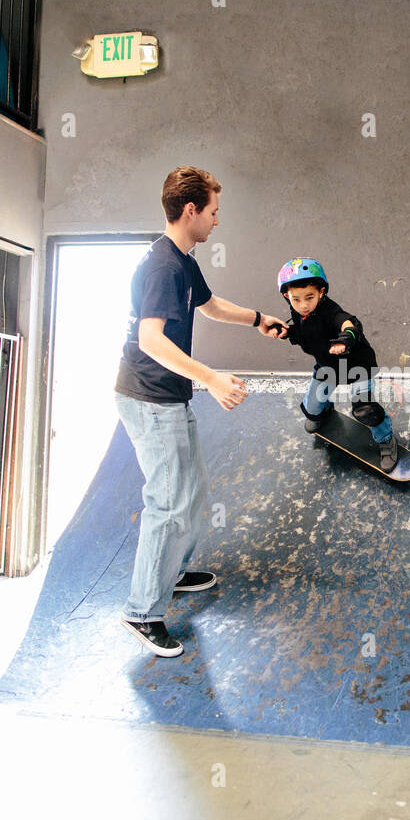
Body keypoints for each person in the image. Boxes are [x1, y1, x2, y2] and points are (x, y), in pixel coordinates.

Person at [114, 166, 289, 658]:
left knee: (191, 496)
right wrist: (210, 378)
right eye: (213, 211)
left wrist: (257, 319)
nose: (218, 220)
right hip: (149, 398)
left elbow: (209, 306)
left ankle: (170, 571)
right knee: (168, 504)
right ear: (190, 210)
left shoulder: (182, 260)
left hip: (168, 396)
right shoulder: (162, 267)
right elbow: (150, 339)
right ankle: (143, 611)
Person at [278, 257, 399, 470]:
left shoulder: (330, 311)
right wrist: (287, 332)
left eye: (310, 297)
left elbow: (348, 323)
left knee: (366, 410)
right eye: (296, 299)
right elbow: (306, 333)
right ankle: (323, 413)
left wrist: (346, 337)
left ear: (321, 292)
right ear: (287, 296)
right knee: (312, 409)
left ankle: (386, 440)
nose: (303, 305)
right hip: (328, 366)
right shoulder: (298, 313)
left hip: (358, 366)